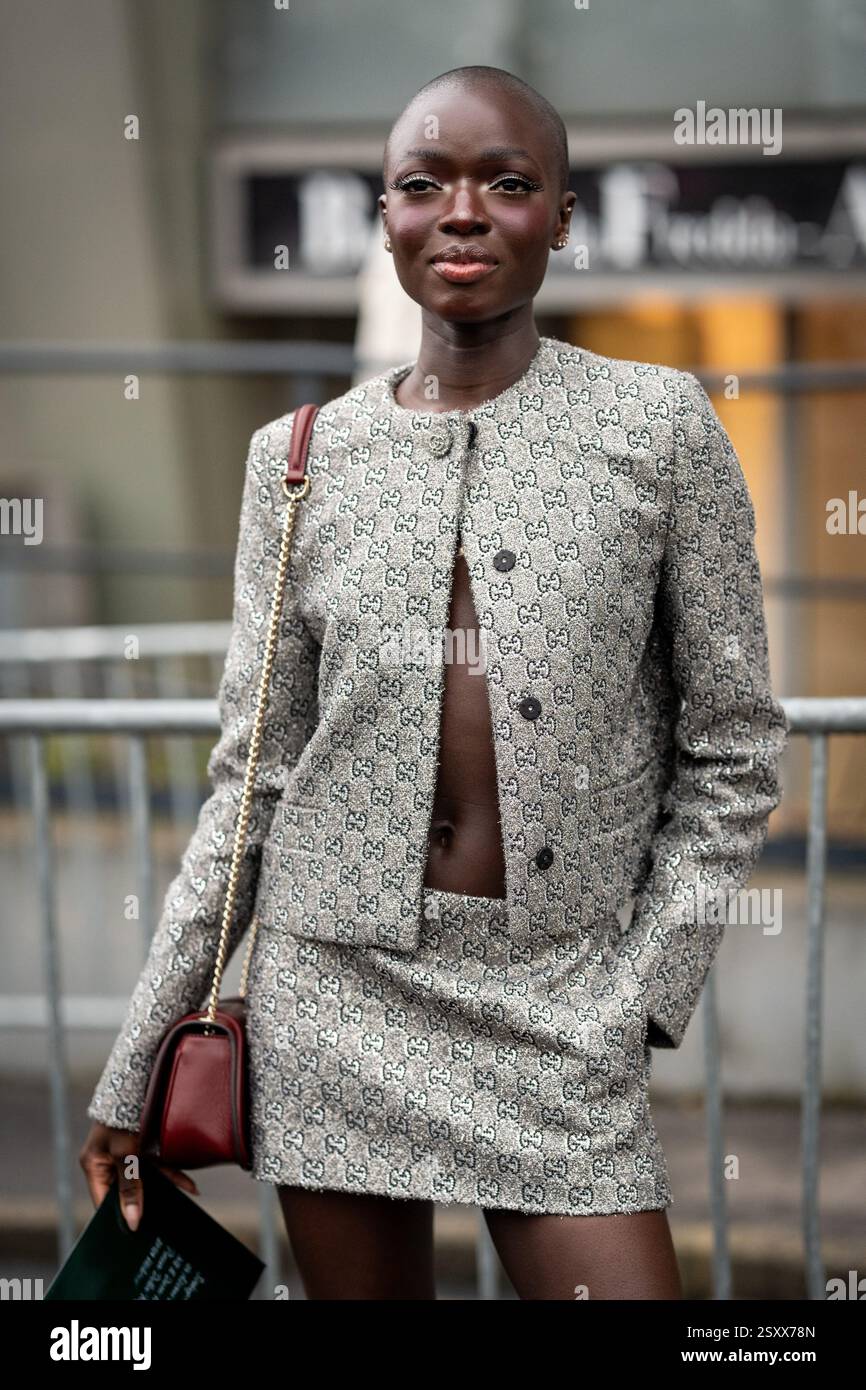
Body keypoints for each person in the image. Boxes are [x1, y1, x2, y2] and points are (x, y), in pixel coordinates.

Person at [80, 65, 789, 1300]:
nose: (460, 212)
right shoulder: (297, 461)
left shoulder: (659, 428)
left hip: (560, 1001)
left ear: (561, 219)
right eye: (423, 185)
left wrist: (638, 992)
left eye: (506, 184)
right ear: (387, 215)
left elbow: (730, 744)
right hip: (335, 994)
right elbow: (254, 780)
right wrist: (144, 1052)